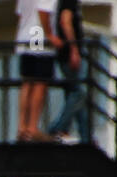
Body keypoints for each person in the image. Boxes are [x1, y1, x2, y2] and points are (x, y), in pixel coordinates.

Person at [16, 0, 59, 140]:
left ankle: (22, 126)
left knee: (27, 81)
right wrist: (50, 35)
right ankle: (32, 126)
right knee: (40, 81)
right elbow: (43, 11)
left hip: (24, 35)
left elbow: (20, 13)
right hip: (38, 35)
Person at [47, 0, 89, 143]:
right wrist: (74, 49)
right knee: (78, 92)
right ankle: (58, 127)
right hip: (69, 52)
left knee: (76, 93)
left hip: (65, 52)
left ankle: (85, 136)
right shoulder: (68, 2)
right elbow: (65, 21)